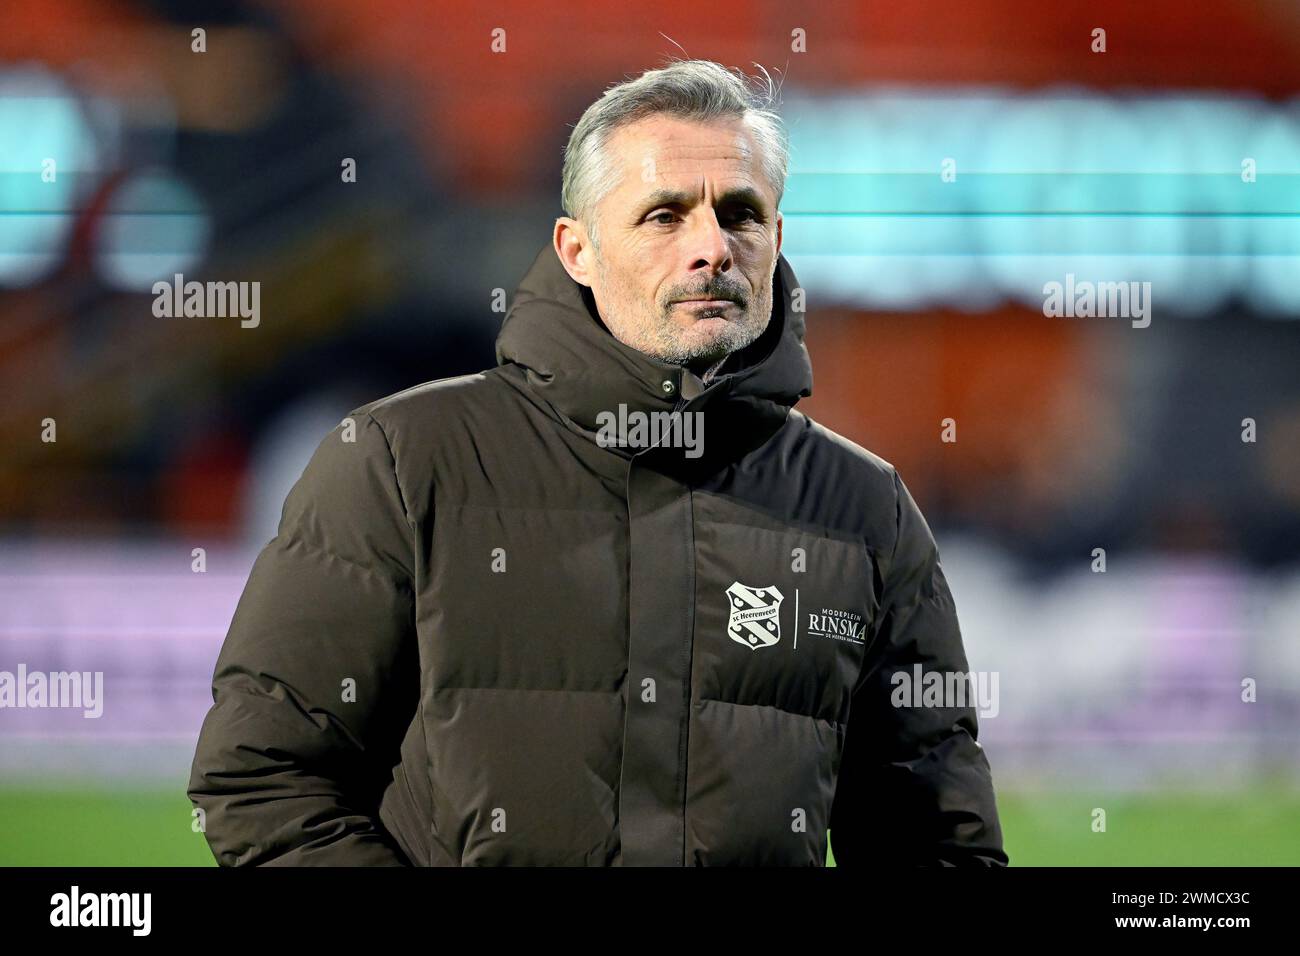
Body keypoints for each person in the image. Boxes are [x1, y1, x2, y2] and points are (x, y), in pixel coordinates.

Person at [188, 58, 1008, 867]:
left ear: (777, 239)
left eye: (741, 214)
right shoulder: (404, 464)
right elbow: (264, 780)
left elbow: (933, 840)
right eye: (664, 215)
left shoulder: (865, 509)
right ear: (576, 250)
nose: (712, 248)